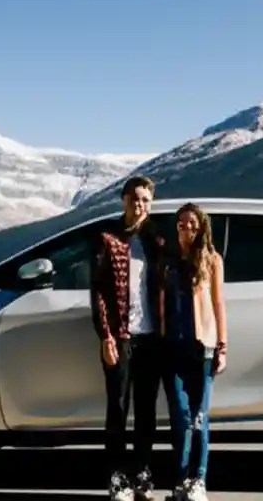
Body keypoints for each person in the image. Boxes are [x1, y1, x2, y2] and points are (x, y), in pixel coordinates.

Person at [91, 175, 167, 501]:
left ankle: (143, 473)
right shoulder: (107, 238)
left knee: (147, 411)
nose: (140, 205)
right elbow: (98, 293)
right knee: (117, 409)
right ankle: (117, 476)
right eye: (135, 198)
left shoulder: (157, 239)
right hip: (120, 337)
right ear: (123, 199)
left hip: (150, 337)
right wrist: (105, 336)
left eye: (146, 200)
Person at [160, 202, 227, 501]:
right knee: (180, 417)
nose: (186, 228)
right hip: (172, 347)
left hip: (202, 348)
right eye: (181, 223)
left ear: (201, 227)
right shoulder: (168, 262)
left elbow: (218, 303)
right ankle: (180, 480)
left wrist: (222, 345)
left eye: (192, 223)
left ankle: (198, 480)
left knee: (200, 416)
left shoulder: (211, 260)